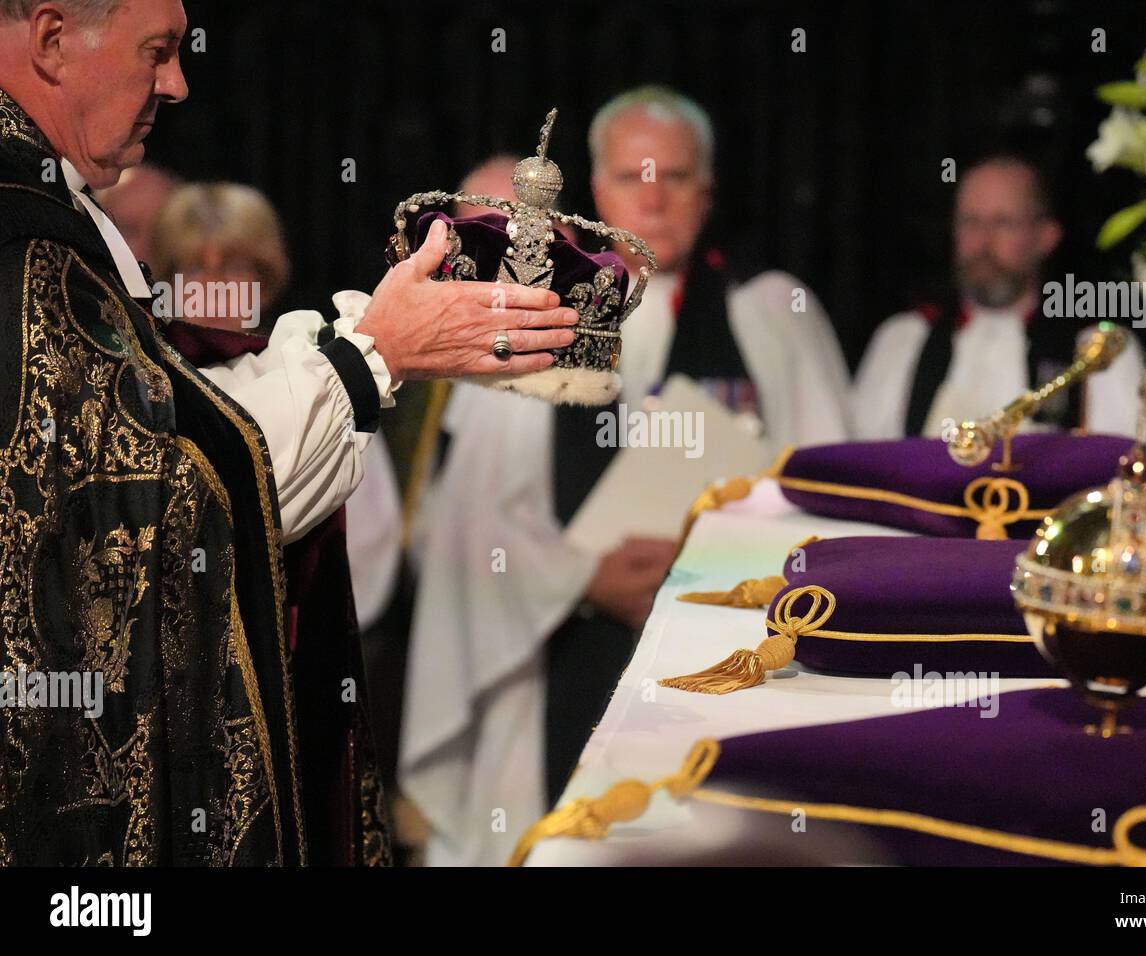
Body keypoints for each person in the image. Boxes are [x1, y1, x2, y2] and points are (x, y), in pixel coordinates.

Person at [0, 0, 577, 866]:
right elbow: (144, 515)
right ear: (52, 41)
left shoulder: (57, 213)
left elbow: (175, 428)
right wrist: (372, 357)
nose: (180, 84)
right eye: (157, 52)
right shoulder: (24, 240)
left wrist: (374, 351)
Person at [399, 85, 852, 867]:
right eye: (632, 176)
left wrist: (711, 565)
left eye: (675, 178)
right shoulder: (540, 318)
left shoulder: (771, 317)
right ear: (598, 188)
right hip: (565, 657)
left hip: (727, 648)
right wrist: (582, 576)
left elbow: (834, 496)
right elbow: (470, 524)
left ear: (706, 194)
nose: (654, 197)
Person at [152, 181, 403, 630]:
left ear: (265, 282)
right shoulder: (145, 383)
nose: (212, 288)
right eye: (194, 268)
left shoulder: (312, 371)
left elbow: (369, 534)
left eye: (231, 267)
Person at [852, 154, 1146, 440]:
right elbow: (857, 465)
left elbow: (1136, 469)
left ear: (1046, 237)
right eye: (970, 221)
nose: (983, 241)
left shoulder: (1097, 350)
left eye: (1003, 222)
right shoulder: (904, 339)